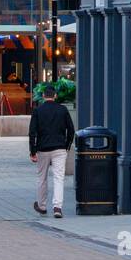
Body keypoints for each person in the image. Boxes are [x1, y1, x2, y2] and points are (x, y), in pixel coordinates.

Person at [29, 84, 75, 218]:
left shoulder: (38, 111)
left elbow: (32, 133)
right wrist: (66, 146)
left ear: (43, 96)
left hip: (43, 149)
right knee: (59, 178)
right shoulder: (63, 110)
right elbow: (71, 130)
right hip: (59, 148)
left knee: (42, 178)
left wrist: (33, 151)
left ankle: (42, 206)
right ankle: (57, 207)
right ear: (55, 96)